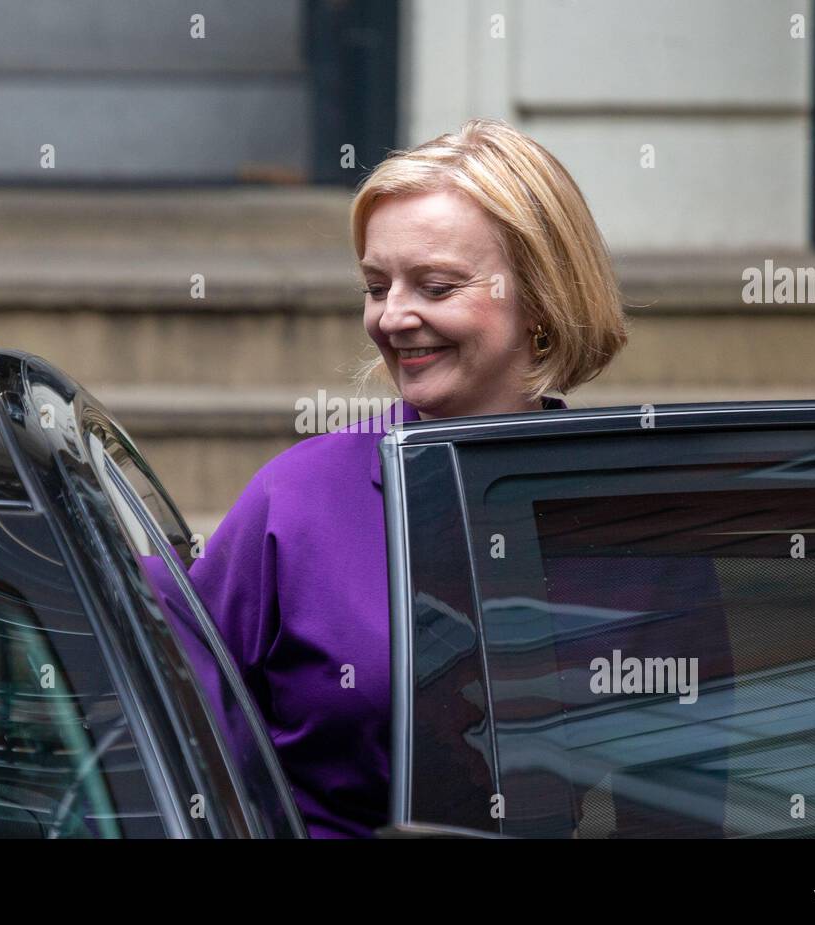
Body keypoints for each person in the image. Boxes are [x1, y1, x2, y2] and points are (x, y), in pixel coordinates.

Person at [187, 118, 630, 837]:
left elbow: (682, 797)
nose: (391, 317)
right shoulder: (296, 502)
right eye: (375, 285)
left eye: (435, 284)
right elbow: (177, 726)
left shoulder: (632, 515)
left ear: (543, 302)